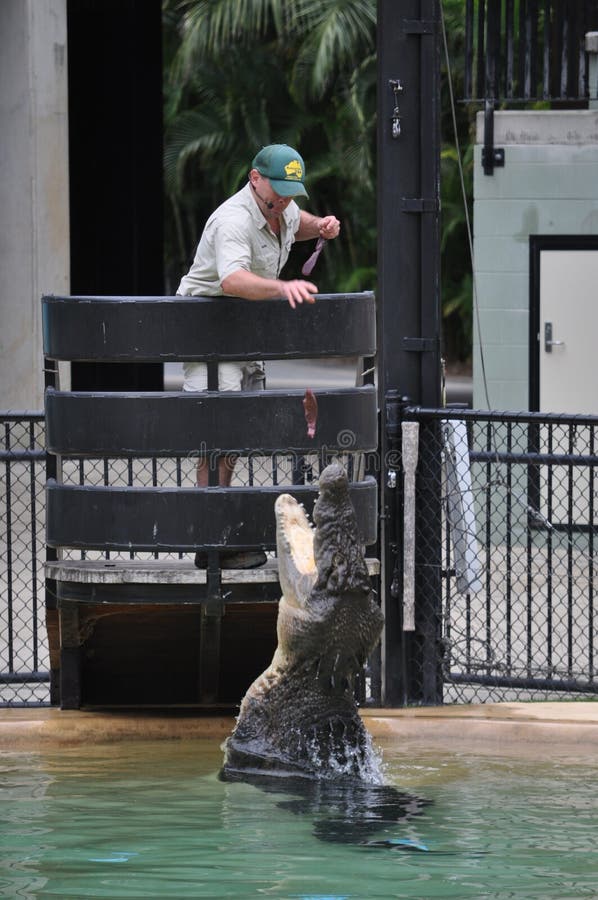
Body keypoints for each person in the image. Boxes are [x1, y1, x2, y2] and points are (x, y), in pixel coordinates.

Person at [178, 143, 341, 568]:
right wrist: (283, 287)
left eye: (291, 191)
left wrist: (319, 225)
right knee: (217, 436)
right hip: (209, 333)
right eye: (277, 190)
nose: (284, 200)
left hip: (242, 334)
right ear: (254, 178)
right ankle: (211, 543)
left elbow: (296, 222)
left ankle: (222, 539)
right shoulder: (233, 219)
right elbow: (232, 280)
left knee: (235, 436)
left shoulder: (280, 205)